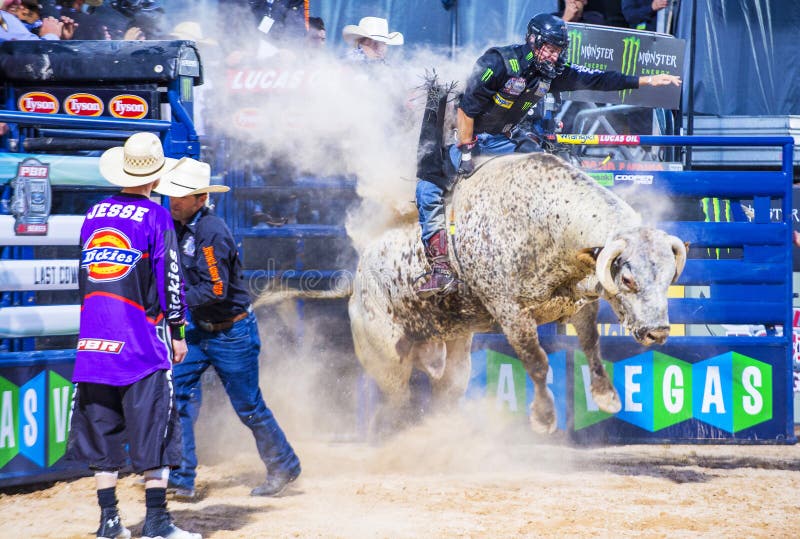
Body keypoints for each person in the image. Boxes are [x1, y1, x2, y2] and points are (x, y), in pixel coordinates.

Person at [414, 12, 681, 297]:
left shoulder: (551, 73)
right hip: (472, 139)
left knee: (557, 168)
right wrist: (466, 152)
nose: (554, 56)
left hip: (507, 138)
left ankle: (565, 252)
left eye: (558, 50)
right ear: (532, 40)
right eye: (549, 49)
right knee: (427, 188)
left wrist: (645, 80)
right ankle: (440, 268)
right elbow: (466, 109)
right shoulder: (499, 62)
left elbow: (598, 79)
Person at [65, 132, 201, 539]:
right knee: (155, 427)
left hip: (93, 342)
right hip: (140, 342)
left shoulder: (92, 215)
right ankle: (157, 522)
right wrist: (177, 332)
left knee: (102, 431)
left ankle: (110, 522)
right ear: (156, 177)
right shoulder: (157, 217)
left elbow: (84, 277)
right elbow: (170, 280)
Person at [153, 157, 302, 500]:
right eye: (172, 194)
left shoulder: (211, 232)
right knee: (177, 396)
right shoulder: (179, 227)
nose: (173, 200)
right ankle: (182, 477)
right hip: (204, 329)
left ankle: (284, 465)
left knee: (248, 406)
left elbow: (214, 289)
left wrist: (169, 299)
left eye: (181, 195)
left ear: (200, 199)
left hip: (230, 332)